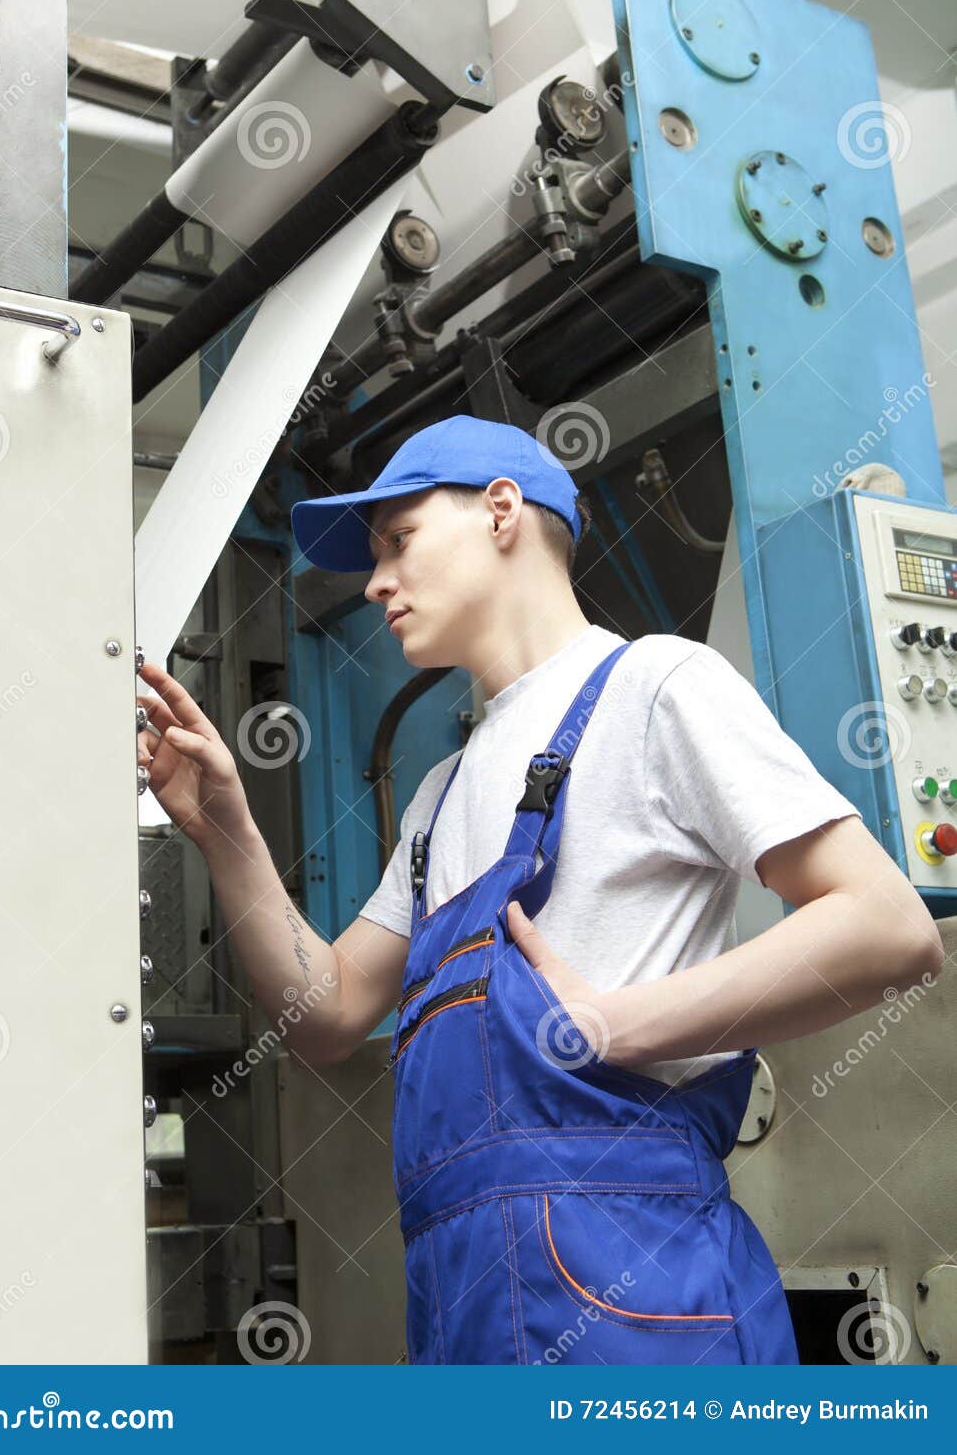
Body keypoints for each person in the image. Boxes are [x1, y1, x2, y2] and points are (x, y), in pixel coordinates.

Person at [137, 414, 942, 1366]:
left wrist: (618, 1025)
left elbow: (889, 927)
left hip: (633, 1285)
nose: (376, 581)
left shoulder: (656, 685)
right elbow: (328, 1013)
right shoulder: (438, 799)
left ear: (502, 511)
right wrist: (226, 828)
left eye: (398, 541)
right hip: (458, 1282)